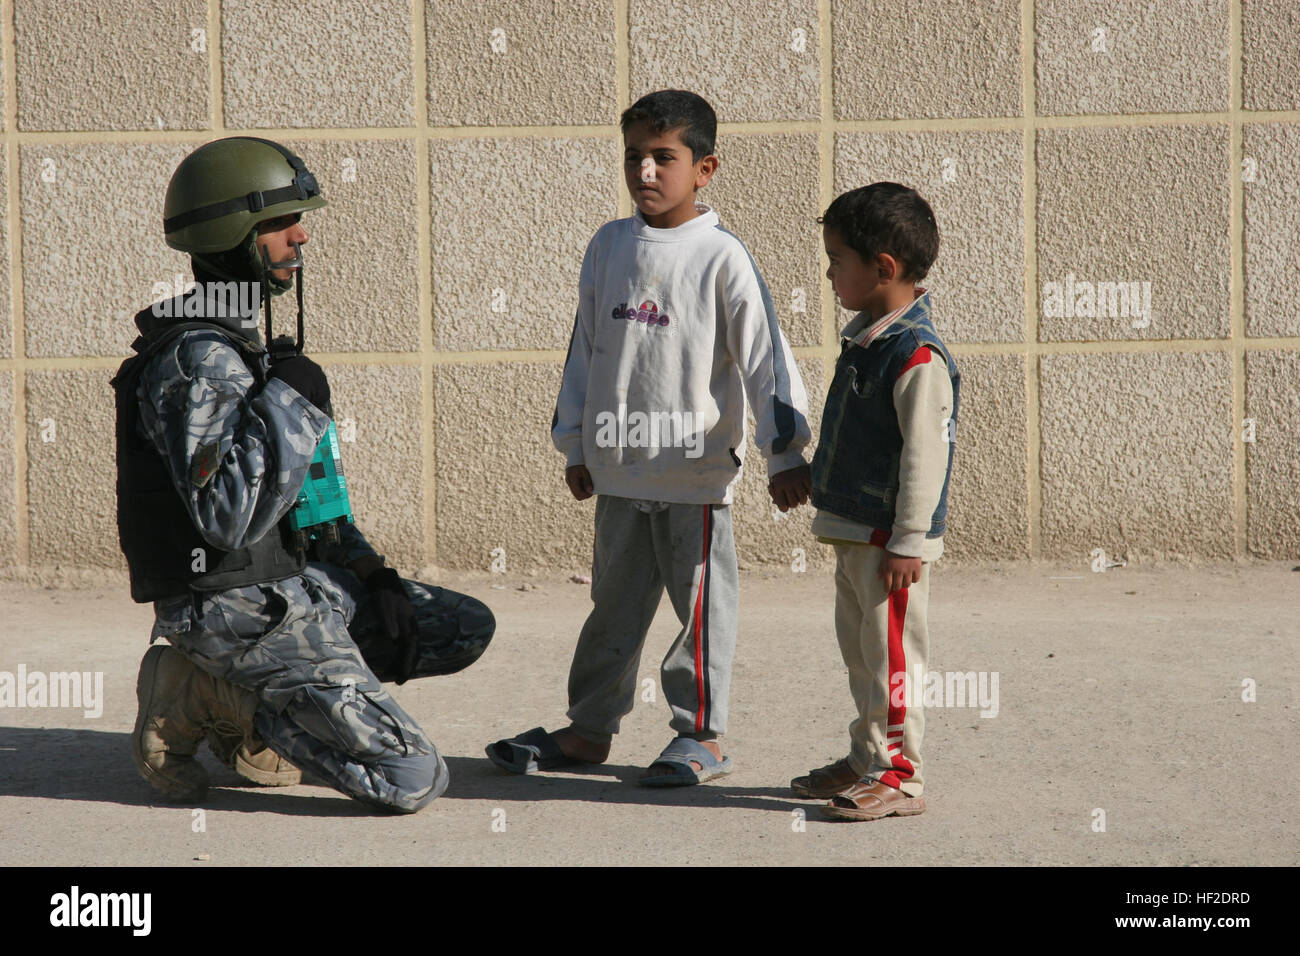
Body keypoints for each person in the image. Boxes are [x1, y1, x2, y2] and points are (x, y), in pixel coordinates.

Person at [114, 136, 495, 813]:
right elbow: (226, 517)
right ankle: (216, 696)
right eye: (283, 223)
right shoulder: (199, 361)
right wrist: (292, 402)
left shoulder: (247, 345)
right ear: (235, 234)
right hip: (229, 605)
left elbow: (308, 501)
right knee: (411, 779)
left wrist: (370, 573)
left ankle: (255, 706)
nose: (302, 235)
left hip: (286, 583)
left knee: (456, 625)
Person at [486, 90, 812, 786]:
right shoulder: (608, 246)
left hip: (693, 480)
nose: (646, 171)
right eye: (635, 156)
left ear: (706, 168)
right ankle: (587, 730)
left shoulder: (722, 257)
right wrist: (575, 443)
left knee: (699, 614)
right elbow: (585, 349)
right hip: (619, 474)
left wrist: (785, 452)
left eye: (665, 157)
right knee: (613, 611)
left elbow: (766, 358)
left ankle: (703, 737)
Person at [791, 182, 959, 821]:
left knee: (892, 660)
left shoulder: (916, 355)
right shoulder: (868, 338)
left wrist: (910, 540)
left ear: (882, 268)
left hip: (888, 546)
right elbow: (857, 438)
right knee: (862, 656)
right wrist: (813, 477)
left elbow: (925, 457)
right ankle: (867, 758)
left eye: (836, 259)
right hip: (855, 535)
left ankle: (898, 775)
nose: (829, 271)